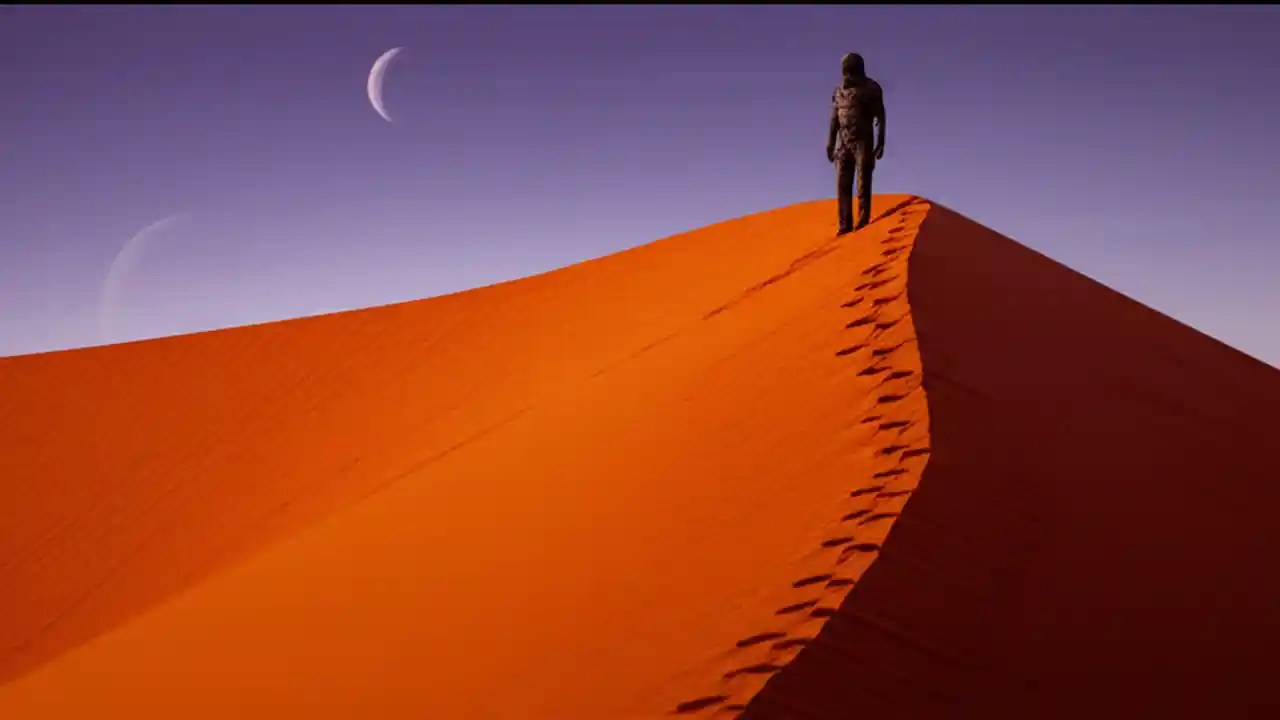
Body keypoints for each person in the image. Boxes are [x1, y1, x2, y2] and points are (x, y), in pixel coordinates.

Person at [826, 53, 886, 235]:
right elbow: (834, 118)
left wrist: (881, 141)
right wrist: (830, 142)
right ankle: (844, 224)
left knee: (862, 182)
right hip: (842, 142)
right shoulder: (838, 92)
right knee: (842, 185)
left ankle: (863, 220)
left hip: (863, 141)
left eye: (850, 72)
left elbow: (881, 116)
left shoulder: (871, 89)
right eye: (846, 72)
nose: (847, 76)